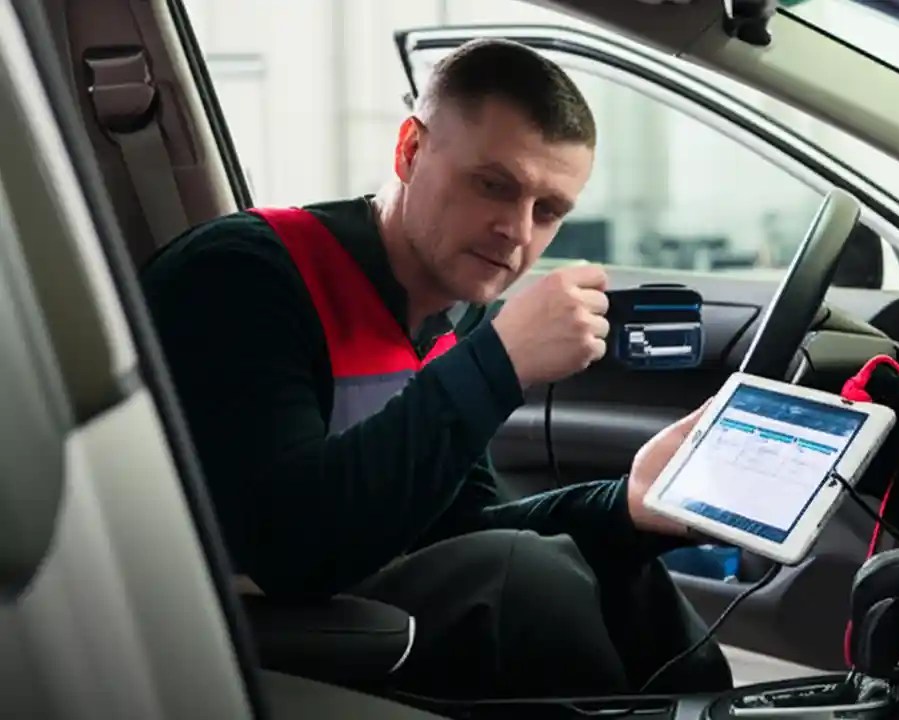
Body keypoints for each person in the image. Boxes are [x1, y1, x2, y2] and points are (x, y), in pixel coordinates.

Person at [141, 38, 732, 699]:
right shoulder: (245, 278)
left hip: (363, 607)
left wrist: (623, 506)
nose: (517, 231)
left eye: (549, 211)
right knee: (521, 574)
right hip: (232, 634)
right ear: (410, 151)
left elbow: (458, 527)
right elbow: (288, 547)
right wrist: (497, 366)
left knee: (617, 563)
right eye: (492, 185)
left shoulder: (457, 320)